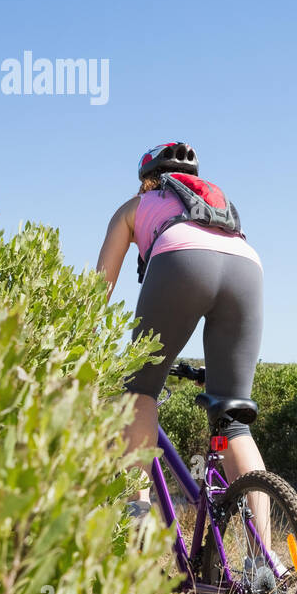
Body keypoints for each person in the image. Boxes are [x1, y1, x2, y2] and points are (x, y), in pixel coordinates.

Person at [94, 142, 270, 532]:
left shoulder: (134, 207)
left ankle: (137, 522)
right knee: (233, 423)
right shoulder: (217, 206)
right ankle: (264, 565)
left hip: (180, 260)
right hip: (247, 268)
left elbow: (98, 292)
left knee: (138, 396)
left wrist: (84, 349)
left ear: (147, 182)